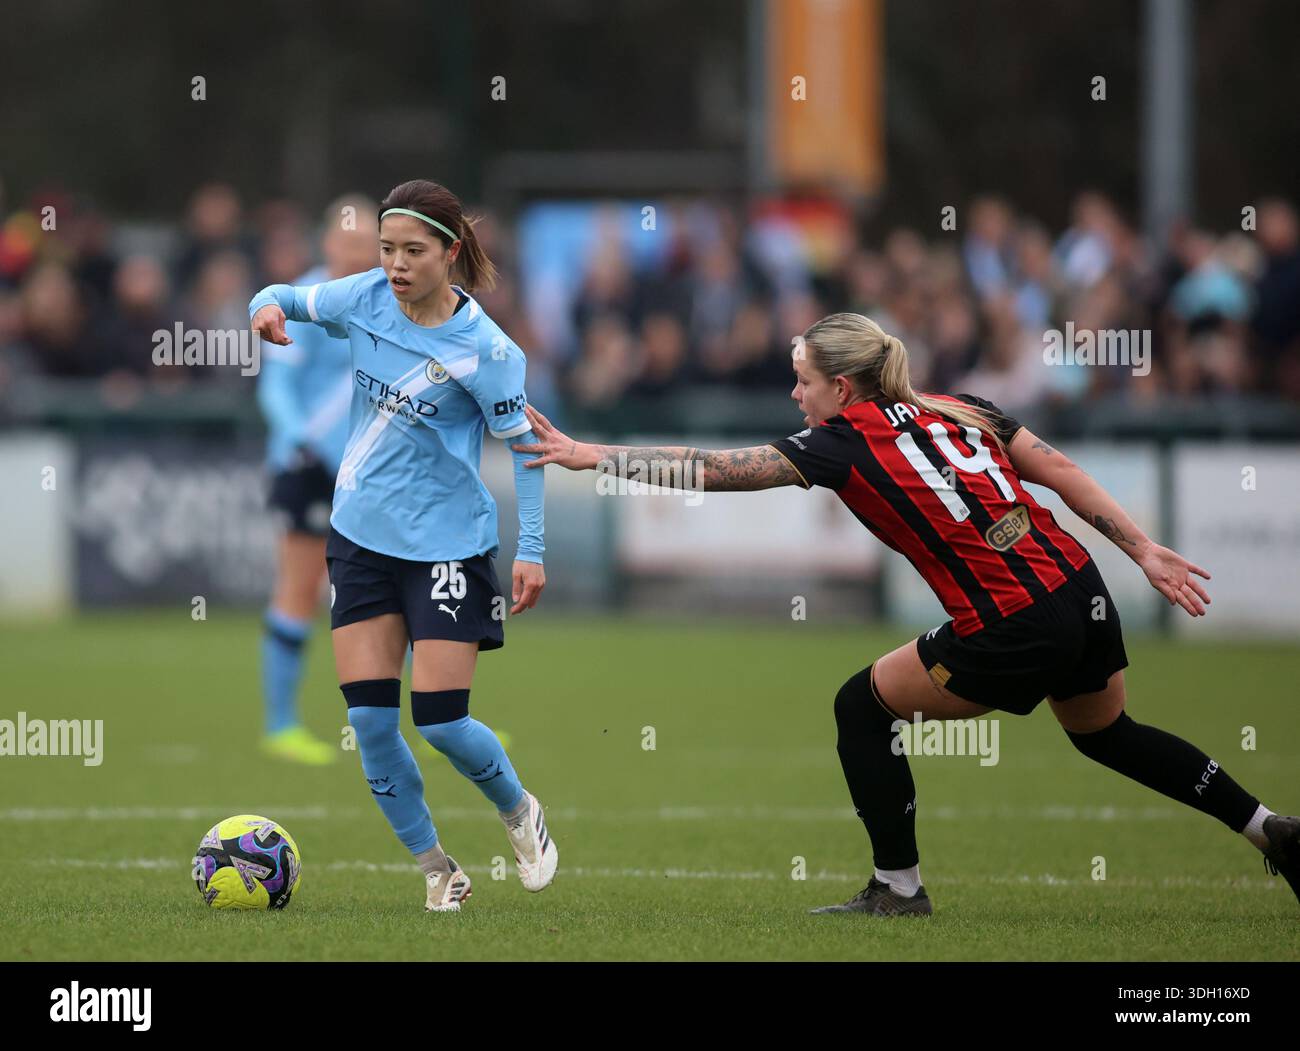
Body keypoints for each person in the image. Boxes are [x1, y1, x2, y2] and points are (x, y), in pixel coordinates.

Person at [514, 311, 1299, 916]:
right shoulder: (960, 406)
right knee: (1107, 735)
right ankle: (1270, 829)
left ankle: (898, 887)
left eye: (803, 380)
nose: (796, 394)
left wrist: (594, 455)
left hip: (1010, 622)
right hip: (1081, 590)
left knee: (862, 705)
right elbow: (1059, 472)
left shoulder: (839, 442)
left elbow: (717, 470)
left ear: (843, 390)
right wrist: (1144, 549)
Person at [249, 179, 558, 912]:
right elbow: (286, 294)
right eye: (386, 248)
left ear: (451, 252)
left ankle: (519, 811)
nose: (395, 263)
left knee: (444, 721)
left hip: (450, 548)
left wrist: (533, 547)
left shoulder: (489, 351)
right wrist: (262, 306)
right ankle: (436, 869)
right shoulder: (362, 296)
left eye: (412, 251)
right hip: (358, 539)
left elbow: (527, 450)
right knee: (369, 723)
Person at [256, 195, 380, 765]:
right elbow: (276, 388)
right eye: (350, 245)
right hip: (307, 468)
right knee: (301, 590)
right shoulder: (304, 301)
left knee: (392, 591)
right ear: (328, 244)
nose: (359, 256)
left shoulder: (387, 301)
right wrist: (303, 440)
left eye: (368, 247)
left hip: (368, 467)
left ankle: (421, 721)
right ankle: (281, 725)